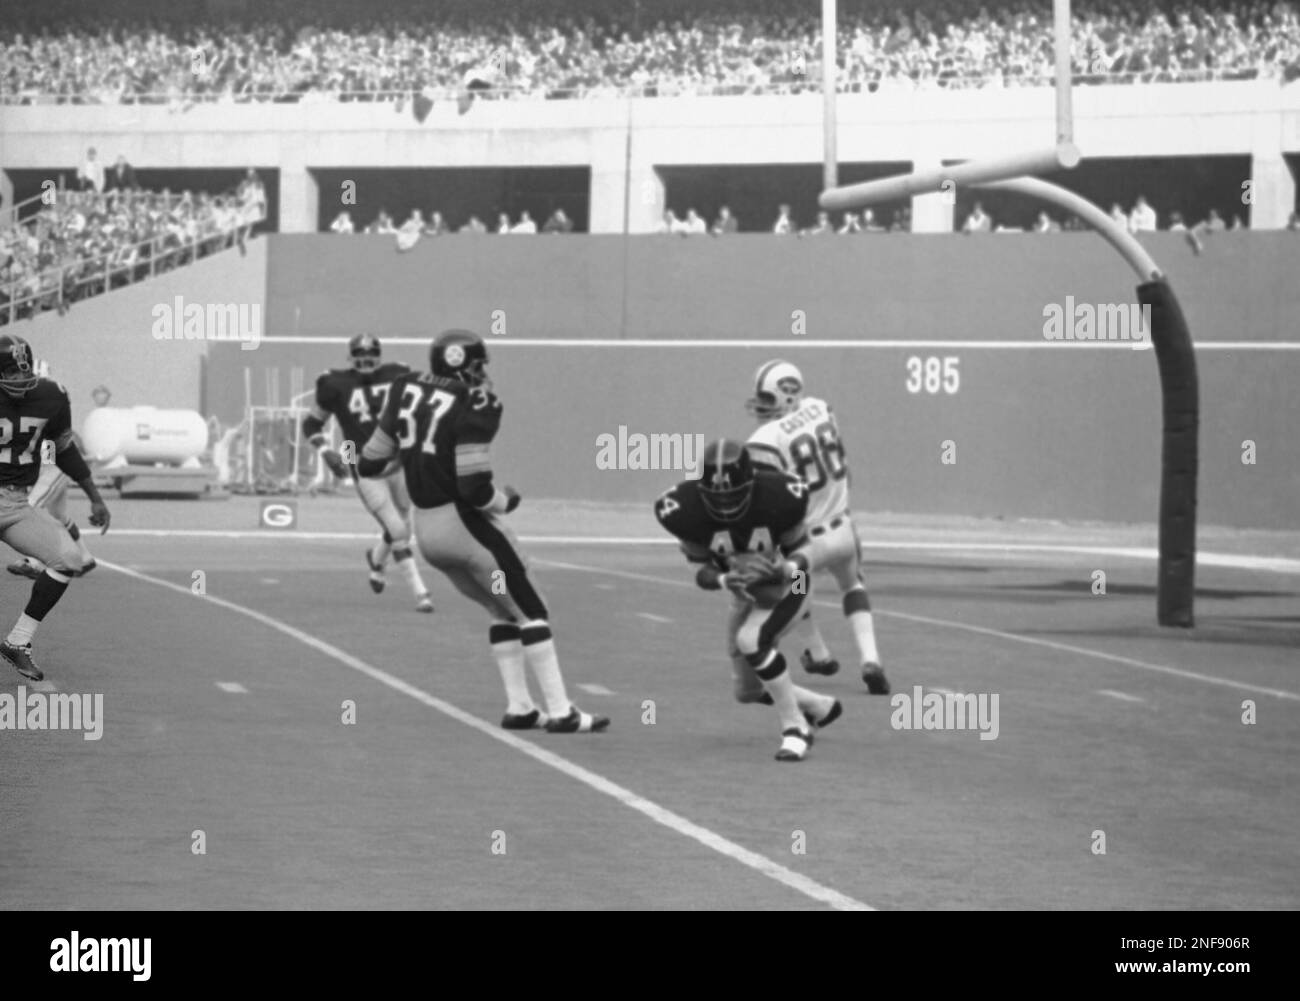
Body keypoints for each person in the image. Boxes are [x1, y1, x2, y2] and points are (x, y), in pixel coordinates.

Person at [358, 329, 608, 735]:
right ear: (460, 363)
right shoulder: (476, 402)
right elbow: (474, 487)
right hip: (462, 526)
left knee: (501, 608)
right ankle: (562, 711)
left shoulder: (404, 387)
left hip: (427, 534)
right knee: (532, 609)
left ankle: (520, 707)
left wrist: (405, 461)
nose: (483, 375)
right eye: (478, 366)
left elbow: (369, 462)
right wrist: (503, 503)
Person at [655, 438, 841, 761]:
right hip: (746, 593)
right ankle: (819, 706)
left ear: (751, 485)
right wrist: (724, 578)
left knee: (751, 640)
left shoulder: (779, 498)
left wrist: (788, 568)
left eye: (733, 494)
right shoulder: (684, 512)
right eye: (716, 496)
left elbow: (806, 550)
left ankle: (795, 728)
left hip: (793, 582)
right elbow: (701, 571)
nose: (726, 504)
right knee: (747, 691)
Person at [743, 360, 888, 694]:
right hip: (843, 528)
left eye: (768, 397)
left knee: (794, 587)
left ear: (786, 394)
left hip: (807, 542)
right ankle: (871, 659)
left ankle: (818, 652)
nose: (762, 404)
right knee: (853, 587)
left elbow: (767, 498)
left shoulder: (766, 436)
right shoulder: (820, 407)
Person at [0, 334, 110, 682]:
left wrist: (94, 495)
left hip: (16, 502)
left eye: (23, 372)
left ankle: (18, 641)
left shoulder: (51, 395)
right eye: (10, 373)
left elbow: (63, 447)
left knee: (69, 558)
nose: (20, 380)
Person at [301, 335, 433, 612]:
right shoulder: (334, 384)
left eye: (371, 355)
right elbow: (312, 423)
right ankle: (420, 592)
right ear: (350, 357)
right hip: (361, 462)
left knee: (405, 526)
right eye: (359, 355)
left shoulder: (398, 374)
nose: (365, 360)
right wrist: (326, 451)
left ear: (380, 356)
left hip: (397, 462)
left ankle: (376, 560)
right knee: (396, 529)